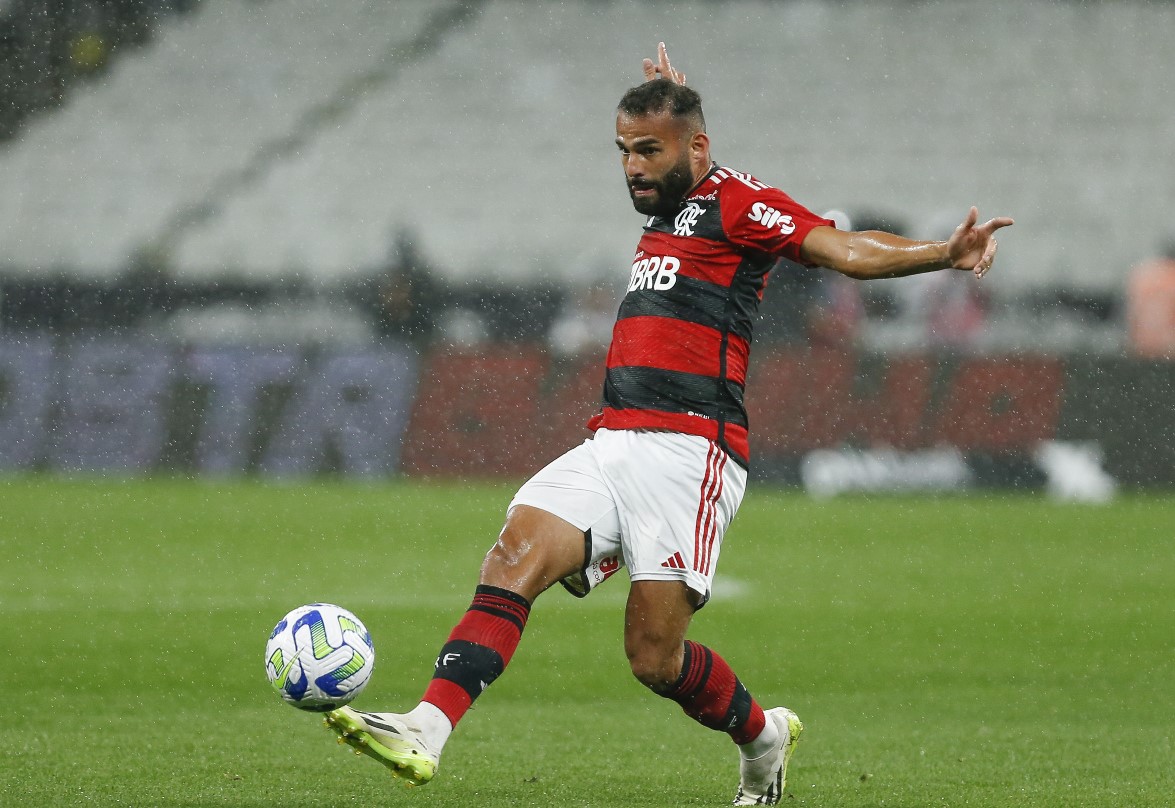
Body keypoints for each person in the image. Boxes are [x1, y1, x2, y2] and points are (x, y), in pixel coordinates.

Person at [321, 44, 1013, 805]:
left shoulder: (741, 204)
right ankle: (427, 726)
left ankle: (764, 738)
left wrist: (939, 254)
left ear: (697, 147)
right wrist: (669, 108)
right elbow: (685, 155)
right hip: (612, 437)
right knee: (513, 552)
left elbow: (843, 247)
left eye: (648, 150)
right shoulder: (677, 199)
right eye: (623, 151)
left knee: (653, 658)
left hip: (691, 450)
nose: (632, 167)